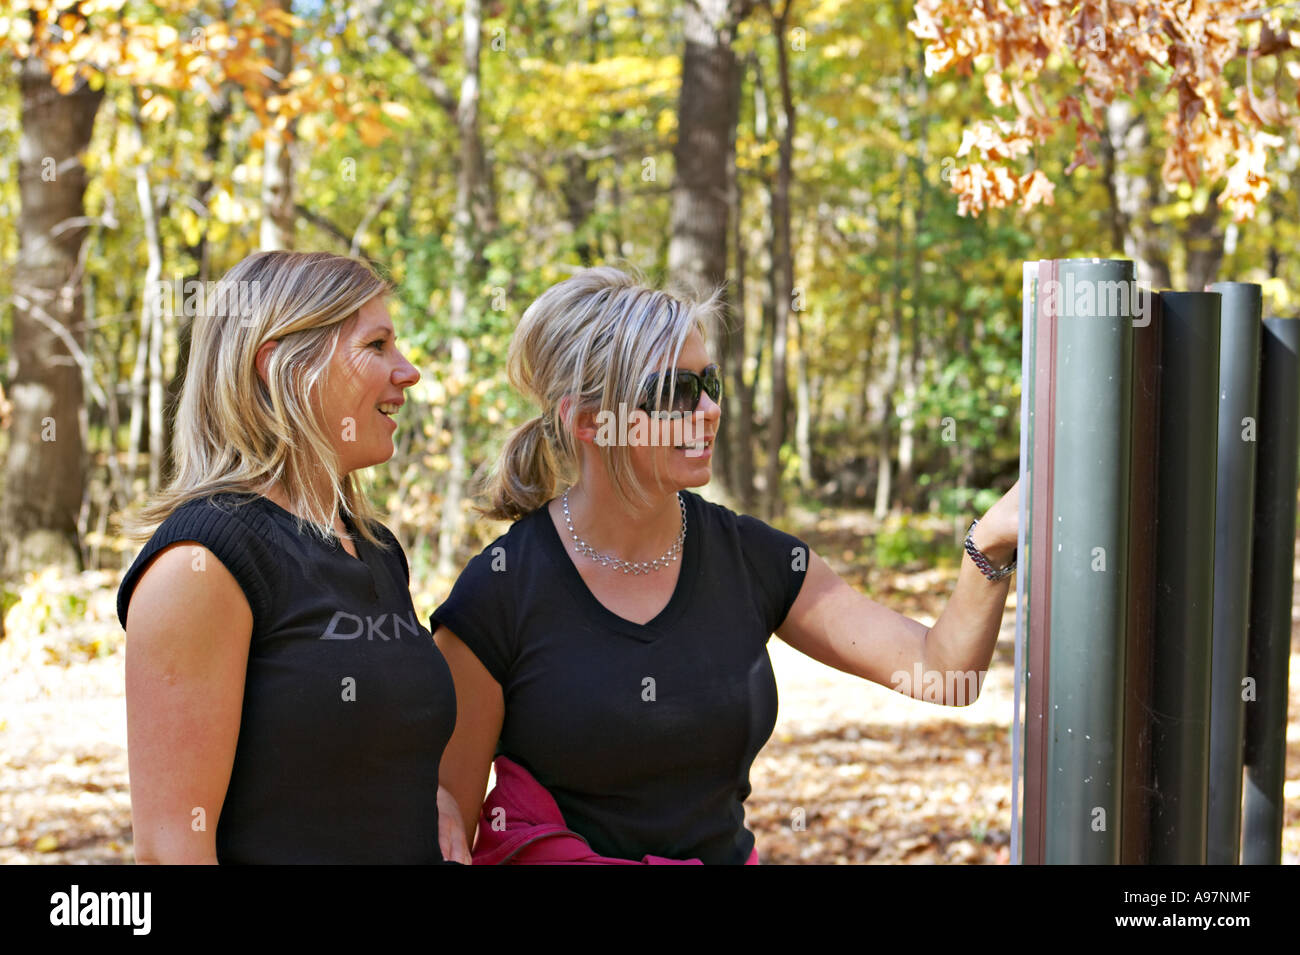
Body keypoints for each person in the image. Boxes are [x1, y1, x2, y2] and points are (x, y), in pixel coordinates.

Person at [431, 266, 1020, 865]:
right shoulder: (499, 591)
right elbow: (447, 816)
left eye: (708, 382)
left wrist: (990, 544)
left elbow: (942, 671)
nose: (708, 409)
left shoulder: (753, 558)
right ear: (588, 423)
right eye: (677, 392)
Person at [118, 251, 468, 864]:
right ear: (283, 365)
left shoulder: (378, 550)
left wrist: (430, 797)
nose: (408, 372)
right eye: (377, 344)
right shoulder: (202, 563)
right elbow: (172, 847)